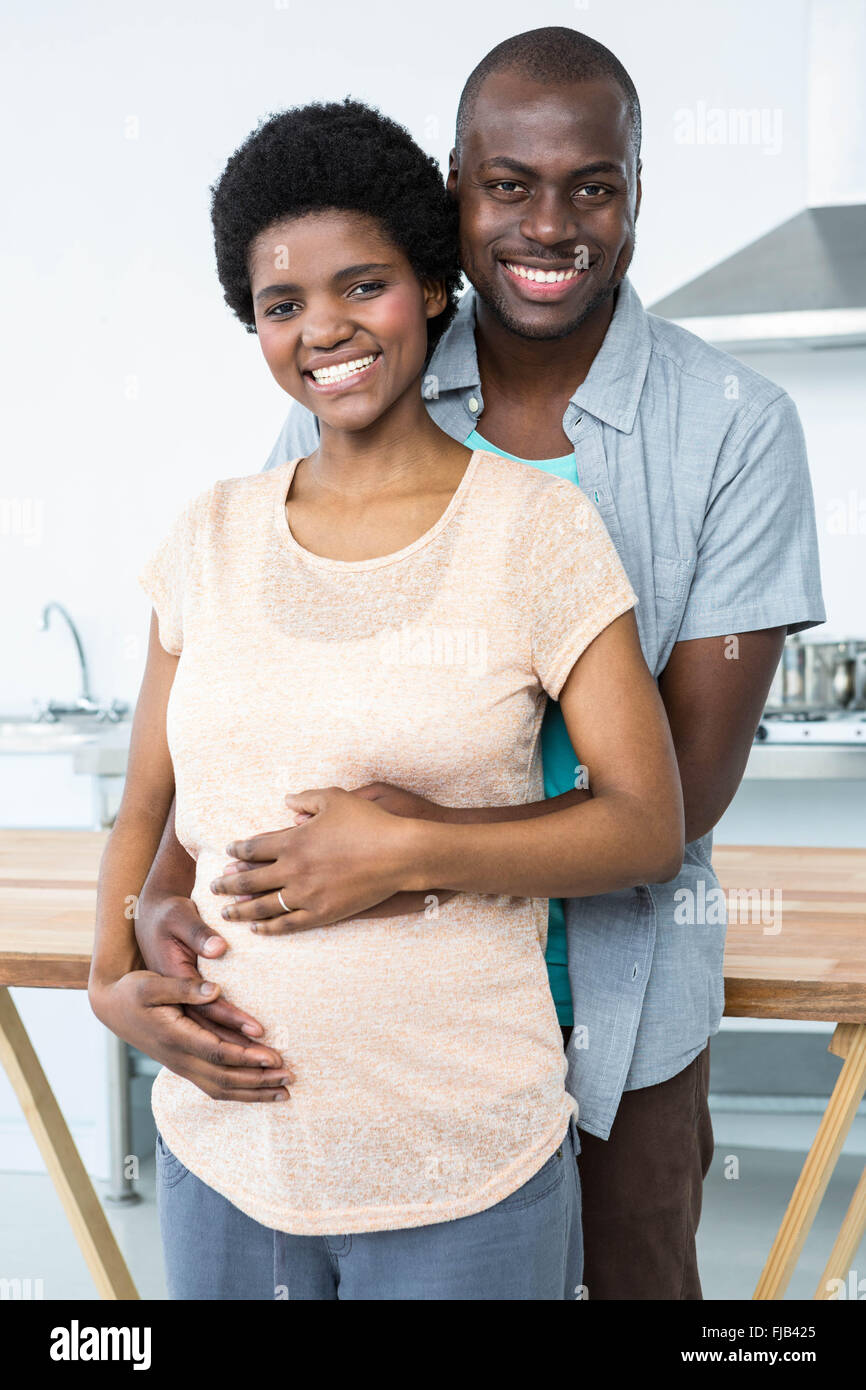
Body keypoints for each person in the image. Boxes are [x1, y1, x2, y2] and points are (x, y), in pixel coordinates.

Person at [133, 27, 826, 1299]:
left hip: (617, 991)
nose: (547, 224)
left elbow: (681, 791)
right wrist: (147, 915)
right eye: (506, 186)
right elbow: (255, 689)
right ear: (452, 191)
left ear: (633, 196)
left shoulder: (732, 432)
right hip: (367, 1017)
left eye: (591, 186)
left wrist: (409, 843)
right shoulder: (352, 374)